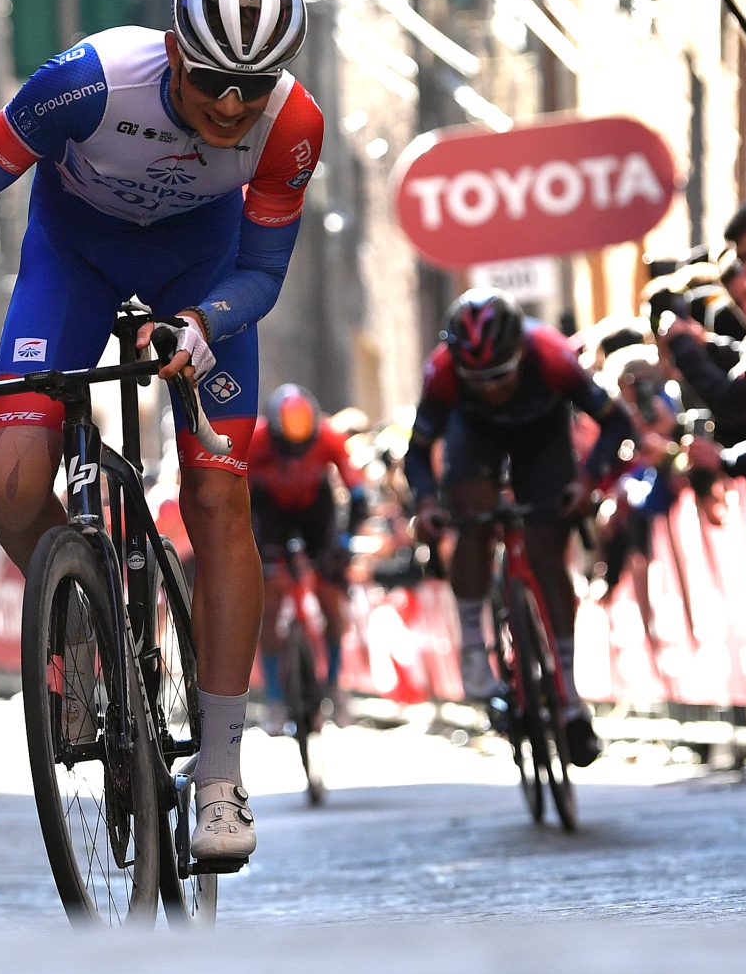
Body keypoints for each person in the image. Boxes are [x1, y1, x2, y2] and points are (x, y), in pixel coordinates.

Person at [0, 0, 323, 869]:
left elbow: (262, 272)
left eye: (253, 86)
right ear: (173, 48)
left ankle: (219, 773)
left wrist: (201, 323)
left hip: (202, 277)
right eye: (211, 80)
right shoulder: (86, 83)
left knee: (219, 496)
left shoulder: (291, 126)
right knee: (12, 488)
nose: (231, 106)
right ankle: (82, 621)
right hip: (71, 264)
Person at [402, 288, 634, 768]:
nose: (491, 388)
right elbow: (418, 453)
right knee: (471, 518)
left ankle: (568, 689)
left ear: (520, 355)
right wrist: (425, 504)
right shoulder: (442, 371)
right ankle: (473, 645)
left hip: (542, 434)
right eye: (478, 379)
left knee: (548, 550)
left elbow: (617, 423)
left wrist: (587, 480)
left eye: (501, 375)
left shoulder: (552, 355)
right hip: (474, 435)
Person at [243, 383, 368, 726]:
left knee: (331, 599)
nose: (296, 456)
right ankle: (274, 699)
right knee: (270, 606)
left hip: (316, 513)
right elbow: (237, 496)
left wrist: (346, 539)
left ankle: (335, 686)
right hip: (270, 516)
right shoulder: (255, 442)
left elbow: (358, 494)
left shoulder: (329, 436)